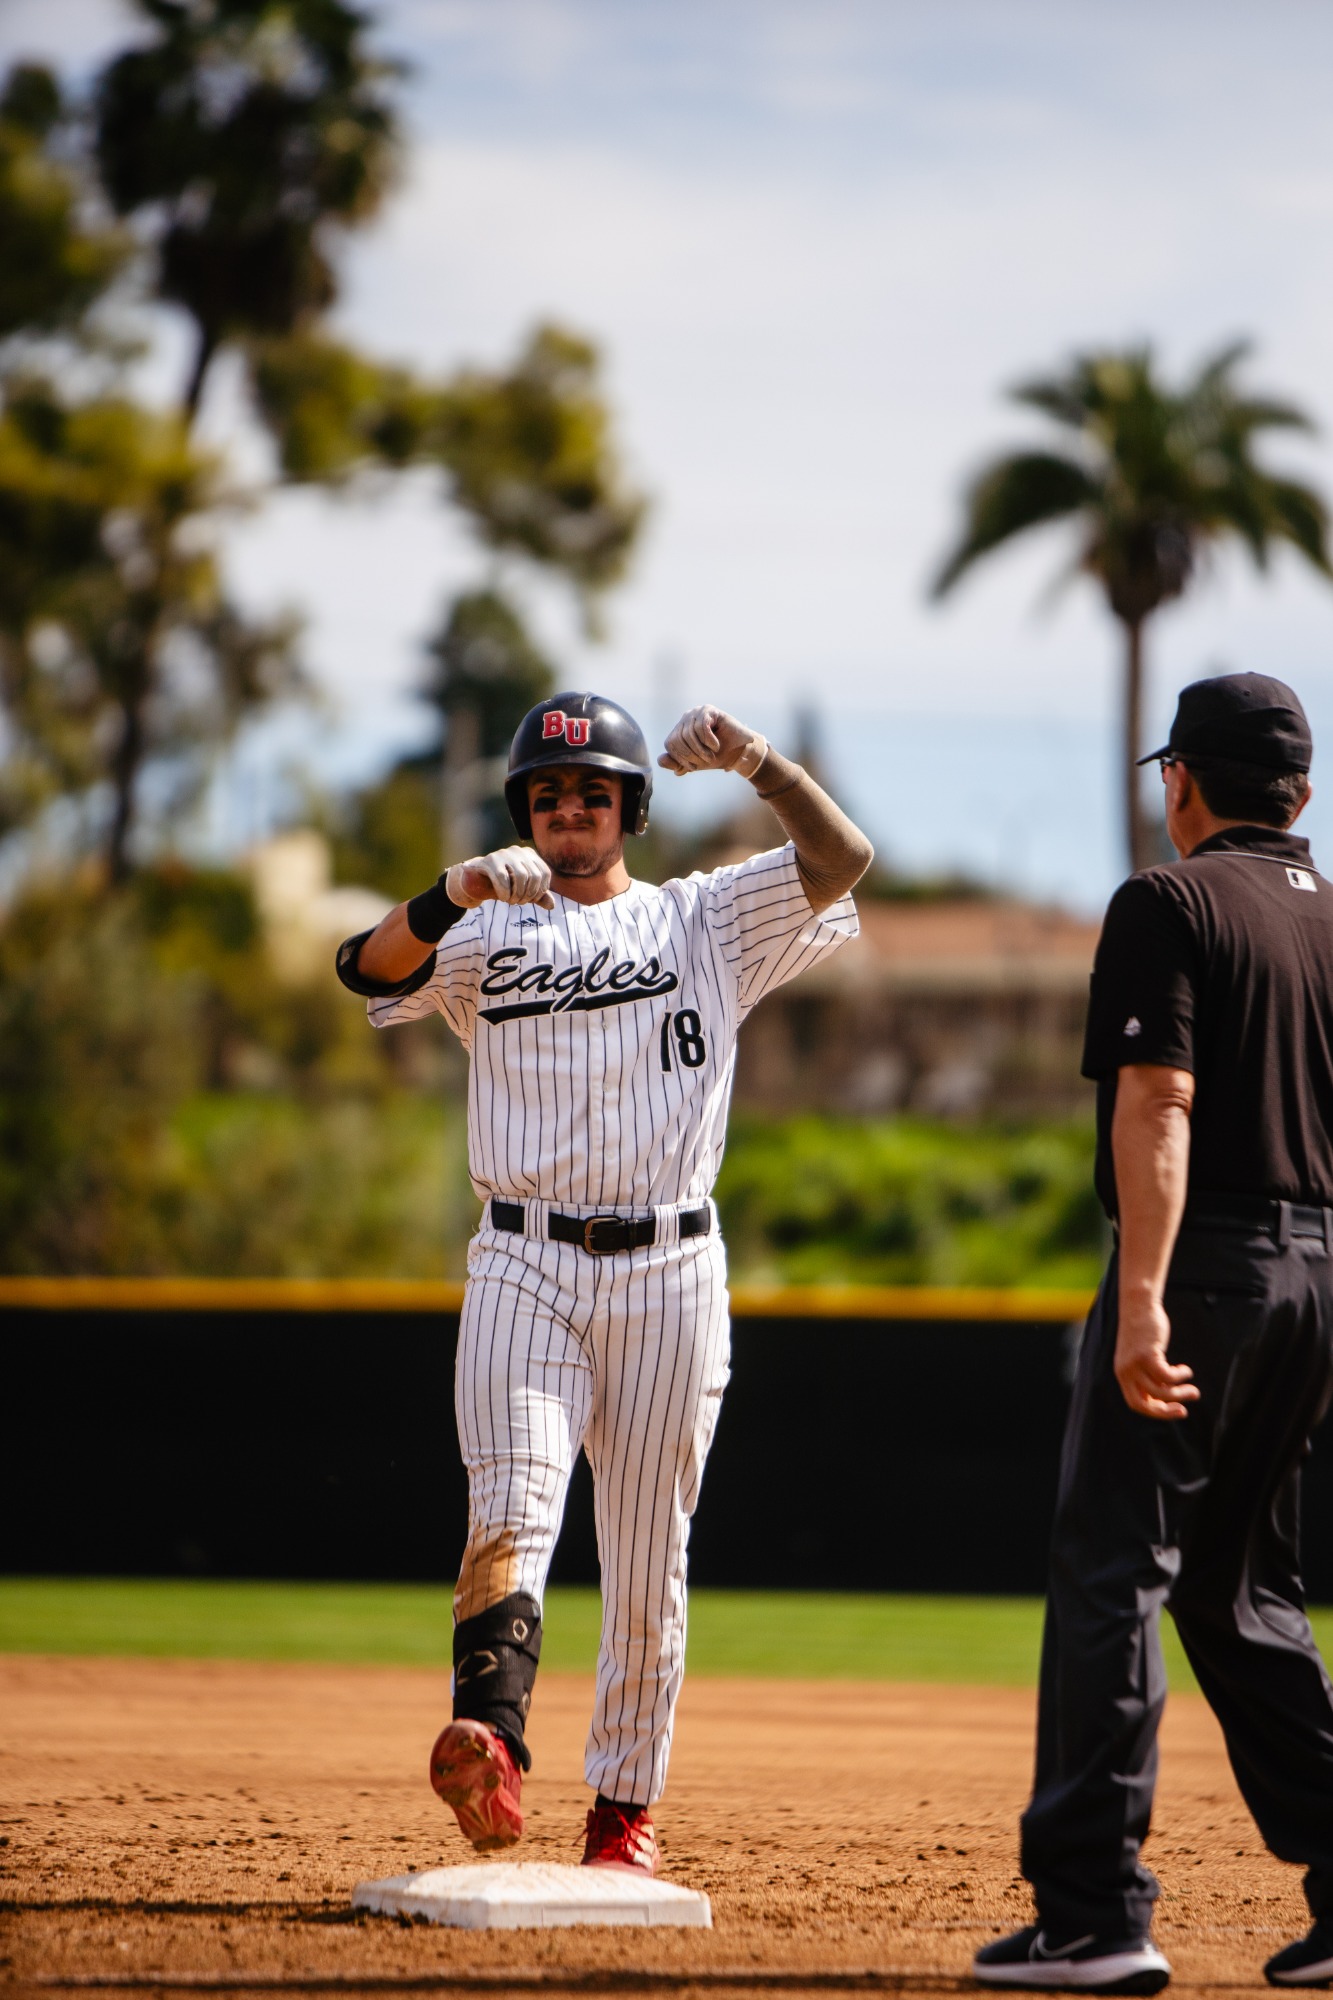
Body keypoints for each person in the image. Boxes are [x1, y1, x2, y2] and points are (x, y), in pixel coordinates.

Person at [335, 692, 872, 1872]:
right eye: (545, 793)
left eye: (591, 791)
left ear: (629, 805)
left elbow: (843, 858)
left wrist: (759, 761)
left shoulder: (706, 918)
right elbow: (361, 964)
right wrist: (451, 893)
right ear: (523, 810)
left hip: (672, 1267)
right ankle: (496, 1739)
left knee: (644, 1554)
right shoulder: (485, 931)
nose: (567, 808)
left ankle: (622, 1814)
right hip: (522, 1255)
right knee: (514, 1499)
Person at [973, 673, 1333, 1995]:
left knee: (1111, 1571)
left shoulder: (1165, 900)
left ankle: (1092, 1911)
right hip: (1320, 1282)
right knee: (1240, 1595)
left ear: (1183, 780)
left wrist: (1140, 1300)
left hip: (1210, 1267)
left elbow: (1160, 1100)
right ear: (1300, 792)